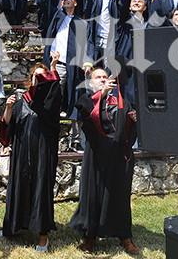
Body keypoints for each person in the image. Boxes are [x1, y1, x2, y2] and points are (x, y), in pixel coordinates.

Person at [69, 66, 139, 254]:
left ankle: (125, 236)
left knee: (120, 197)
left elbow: (129, 128)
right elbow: (90, 118)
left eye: (104, 77)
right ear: (91, 83)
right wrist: (102, 94)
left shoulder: (122, 101)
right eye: (98, 77)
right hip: (96, 157)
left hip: (118, 157)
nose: (102, 79)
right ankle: (90, 237)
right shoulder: (85, 101)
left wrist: (133, 119)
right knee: (94, 196)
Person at [0, 54, 63, 252]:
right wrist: (8, 108)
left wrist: (53, 67)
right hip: (21, 153)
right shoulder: (21, 101)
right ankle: (12, 227)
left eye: (43, 76)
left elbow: (55, 90)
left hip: (42, 155)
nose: (39, 79)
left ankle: (43, 236)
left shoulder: (50, 104)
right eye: (36, 76)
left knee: (40, 191)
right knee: (18, 188)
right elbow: (7, 126)